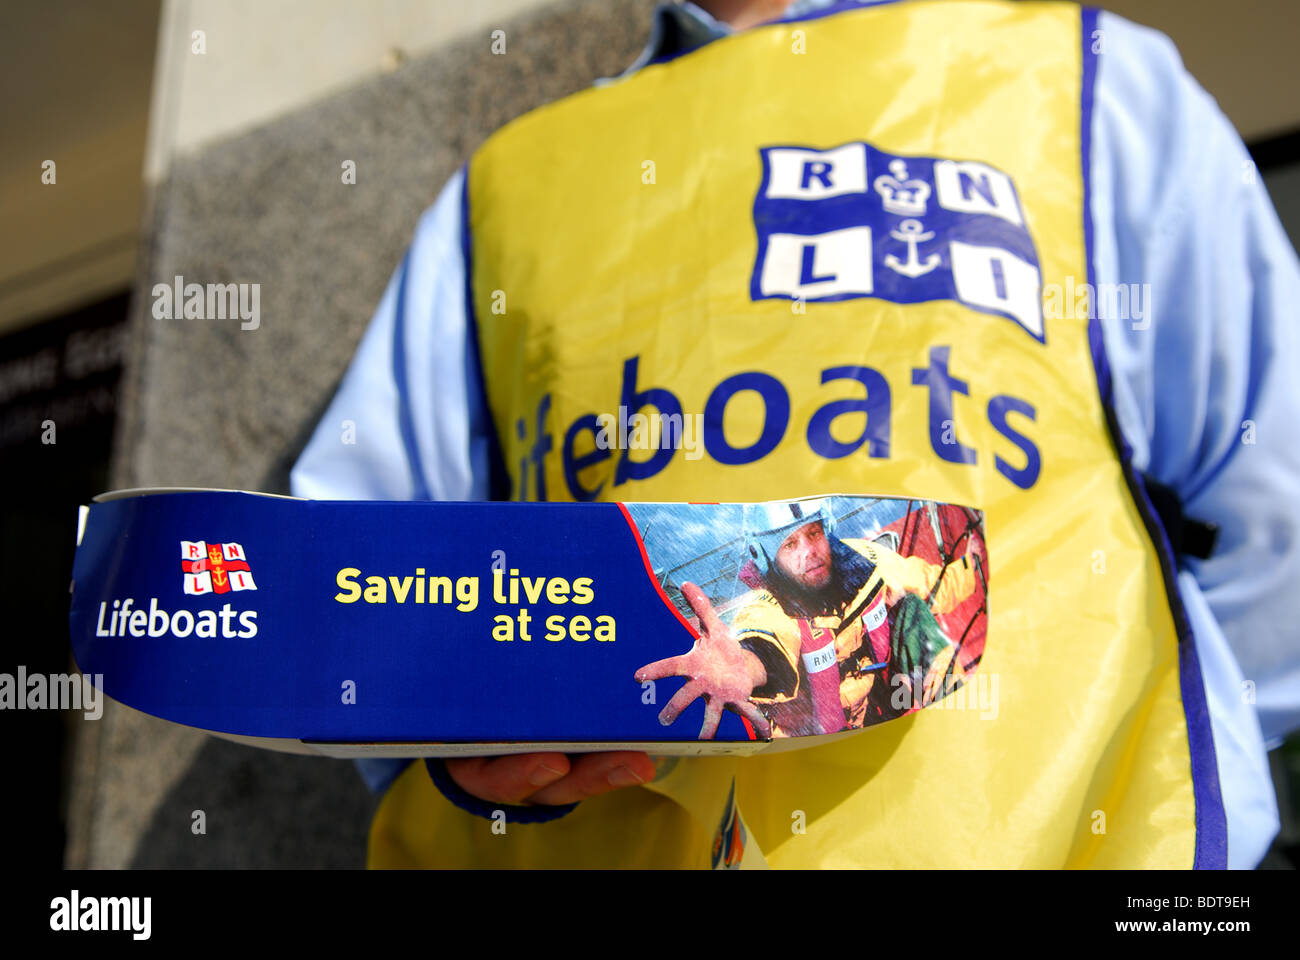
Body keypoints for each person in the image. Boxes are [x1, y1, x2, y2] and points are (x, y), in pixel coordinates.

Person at [291, 0, 1300, 868]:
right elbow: (351, 588)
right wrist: (470, 745)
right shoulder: (506, 187)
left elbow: (1280, 502)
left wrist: (1189, 776)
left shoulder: (1071, 79)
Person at [637, 498, 982, 738]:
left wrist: (975, 565)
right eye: (789, 544)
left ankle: (952, 721)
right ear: (767, 557)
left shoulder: (867, 559)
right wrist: (741, 667)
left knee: (912, 611)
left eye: (813, 534)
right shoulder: (768, 608)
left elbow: (932, 586)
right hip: (829, 738)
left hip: (889, 700)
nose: (809, 552)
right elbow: (764, 649)